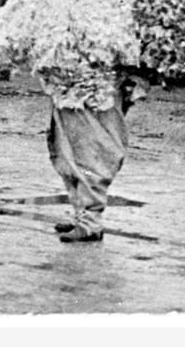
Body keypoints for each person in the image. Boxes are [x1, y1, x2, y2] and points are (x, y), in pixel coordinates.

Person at [46, 72, 148, 243]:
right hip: (72, 83)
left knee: (92, 152)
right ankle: (82, 215)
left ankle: (90, 223)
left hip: (99, 88)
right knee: (68, 151)